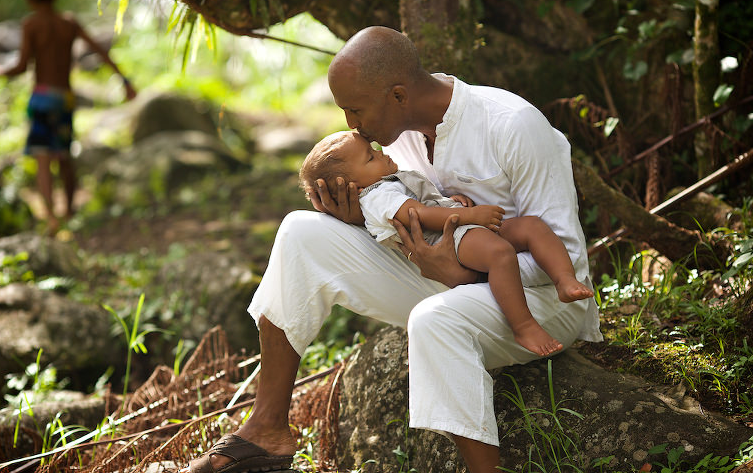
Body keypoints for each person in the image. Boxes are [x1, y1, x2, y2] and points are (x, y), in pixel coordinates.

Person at [184, 26, 602, 473]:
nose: (351, 124)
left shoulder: (511, 124)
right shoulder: (394, 135)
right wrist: (358, 221)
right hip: (454, 276)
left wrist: (465, 275)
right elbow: (405, 218)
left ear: (399, 96)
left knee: (433, 318)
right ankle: (268, 429)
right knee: (300, 231)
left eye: (355, 109)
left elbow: (566, 260)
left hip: (544, 302)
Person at [299, 130, 595, 357]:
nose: (379, 152)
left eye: (373, 149)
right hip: (445, 239)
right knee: (500, 254)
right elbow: (419, 215)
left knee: (531, 227)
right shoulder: (375, 197)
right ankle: (524, 326)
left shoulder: (388, 182)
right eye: (370, 157)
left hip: (458, 227)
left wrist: (452, 202)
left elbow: (427, 201)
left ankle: (564, 279)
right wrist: (469, 213)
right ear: (354, 187)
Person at [0, 0, 137, 233]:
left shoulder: (31, 24)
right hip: (66, 98)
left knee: (43, 158)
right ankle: (69, 212)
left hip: (42, 98)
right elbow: (101, 53)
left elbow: (21, 66)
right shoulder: (69, 22)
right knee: (64, 156)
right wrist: (125, 81)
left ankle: (52, 219)